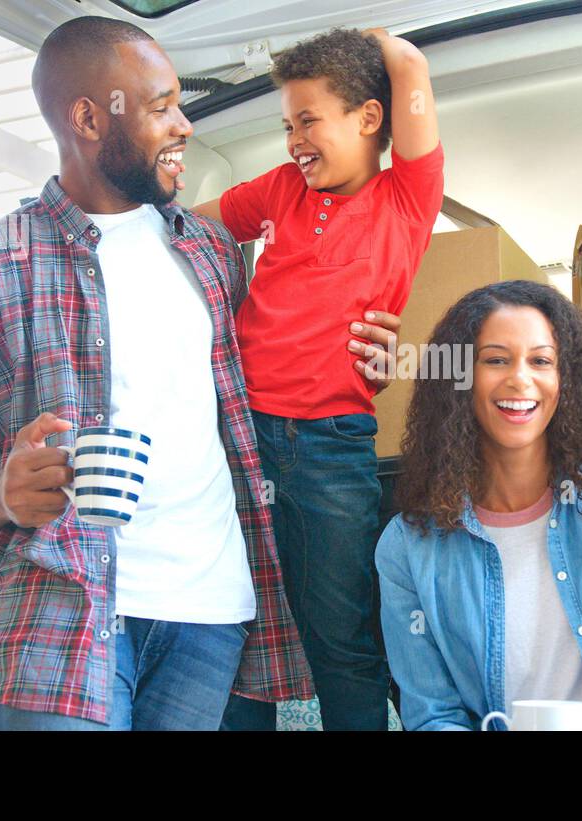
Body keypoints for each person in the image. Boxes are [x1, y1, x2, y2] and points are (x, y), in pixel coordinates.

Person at [0, 17, 394, 730]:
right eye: (161, 107)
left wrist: (360, 356)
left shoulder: (216, 252)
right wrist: (0, 490)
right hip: (60, 620)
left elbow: (279, 371)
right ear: (91, 119)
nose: (184, 125)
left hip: (214, 620)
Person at [190, 28, 444, 731]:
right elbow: (191, 228)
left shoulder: (407, 197)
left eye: (308, 120)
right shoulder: (280, 190)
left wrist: (361, 39)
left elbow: (410, 65)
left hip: (330, 448)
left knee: (340, 637)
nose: (295, 139)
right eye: (286, 124)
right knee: (237, 631)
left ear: (368, 118)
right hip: (238, 437)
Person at [376, 280, 582, 730]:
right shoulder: (408, 547)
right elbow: (432, 714)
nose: (520, 379)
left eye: (541, 360)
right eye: (496, 360)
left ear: (567, 378)